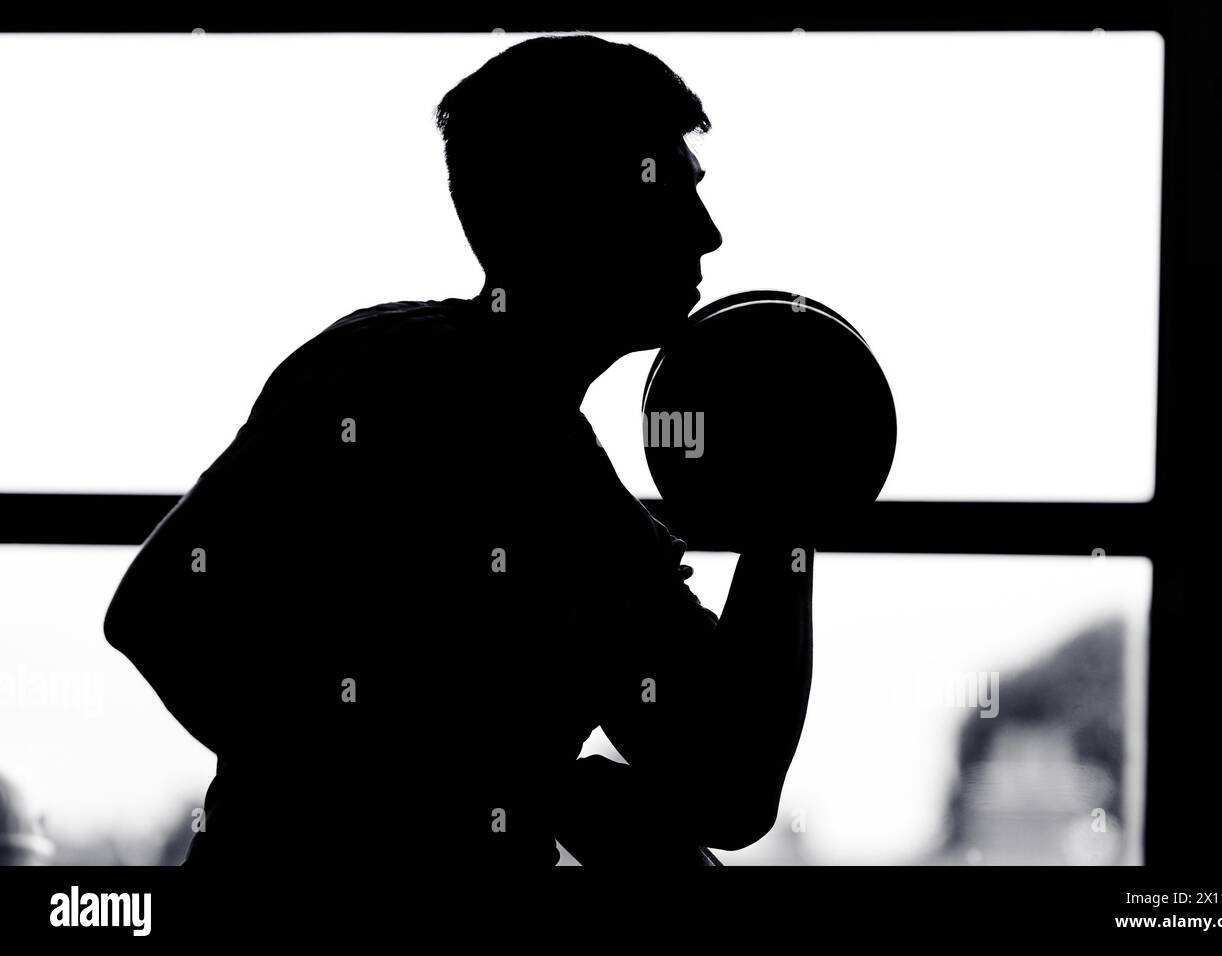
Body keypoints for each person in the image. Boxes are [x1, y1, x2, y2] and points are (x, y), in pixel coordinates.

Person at [103, 33, 813, 867]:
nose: (708, 233)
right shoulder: (386, 376)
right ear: (572, 208)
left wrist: (784, 520)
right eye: (670, 193)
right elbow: (160, 614)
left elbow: (728, 784)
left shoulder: (578, 501)